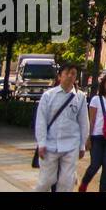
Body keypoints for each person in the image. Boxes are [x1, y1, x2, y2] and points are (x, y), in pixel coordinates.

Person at [34, 62, 88, 193]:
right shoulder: (48, 96)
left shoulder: (80, 97)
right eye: (67, 73)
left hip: (71, 145)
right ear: (60, 76)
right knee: (45, 181)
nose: (70, 76)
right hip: (50, 144)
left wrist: (82, 145)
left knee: (66, 182)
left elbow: (84, 122)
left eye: (73, 74)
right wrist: (41, 143)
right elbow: (41, 120)